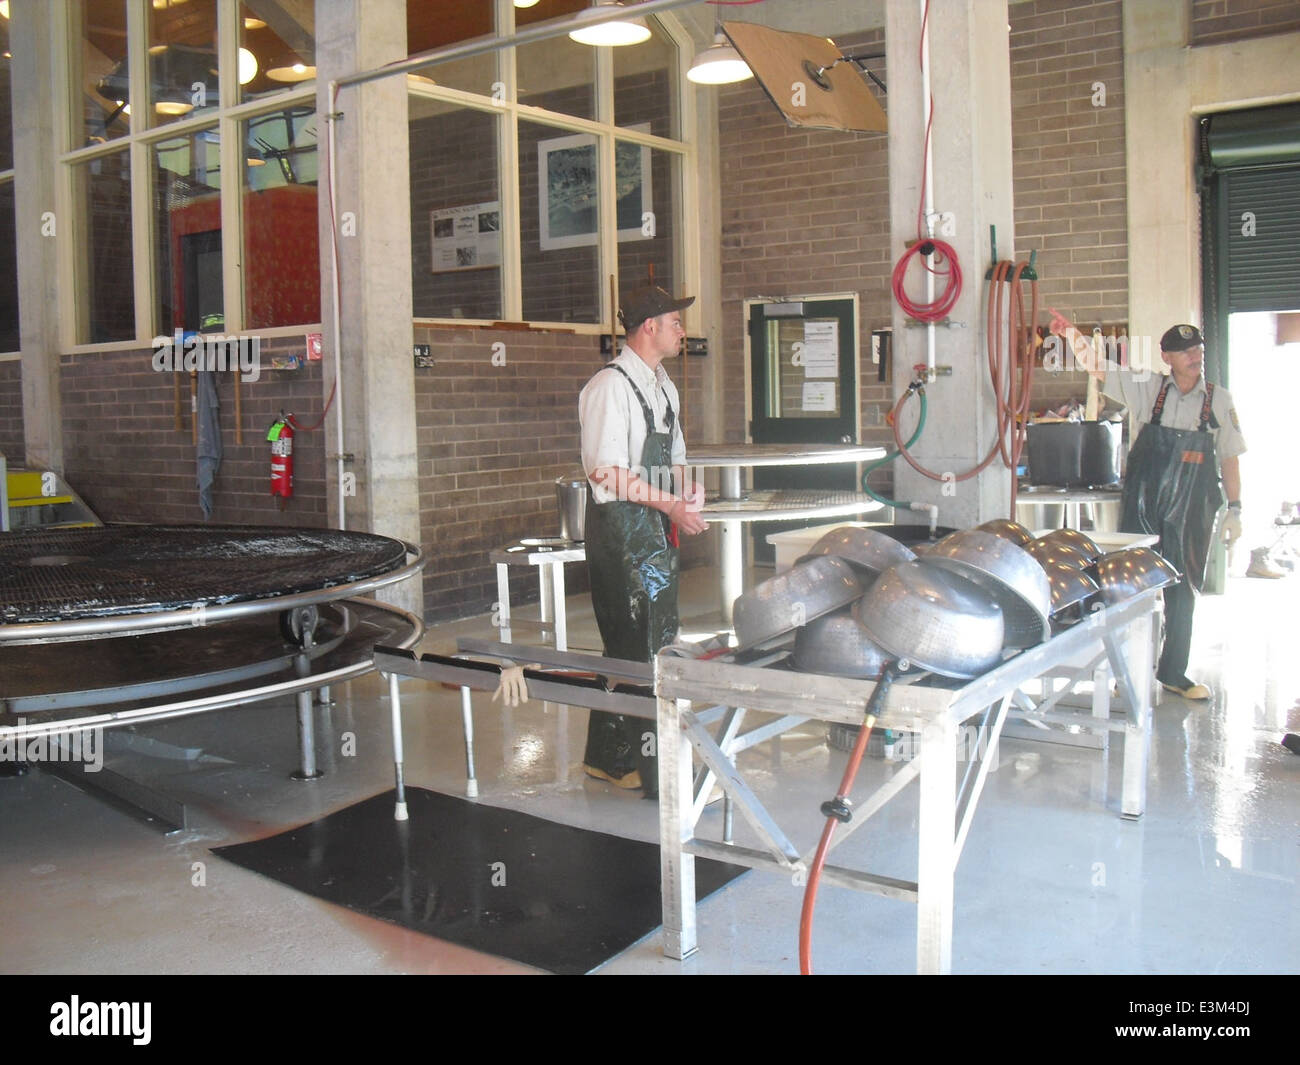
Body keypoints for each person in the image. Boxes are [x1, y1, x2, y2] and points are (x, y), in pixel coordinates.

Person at [577, 285, 709, 796]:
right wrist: (669, 503)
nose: (682, 330)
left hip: (655, 527)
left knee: (649, 641)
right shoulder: (609, 387)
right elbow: (605, 472)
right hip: (620, 534)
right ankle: (661, 776)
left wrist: (684, 493)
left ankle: (607, 758)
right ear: (648, 326)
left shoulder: (664, 387)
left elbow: (673, 455)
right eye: (675, 321)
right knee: (636, 648)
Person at [1081, 322, 1247, 701]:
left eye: (1199, 350)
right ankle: (1128, 672)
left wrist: (1236, 509)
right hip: (1145, 503)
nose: (1195, 357)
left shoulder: (1219, 400)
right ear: (1167, 358)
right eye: (1186, 352)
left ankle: (1173, 672)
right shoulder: (1149, 388)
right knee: (1131, 586)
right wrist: (1072, 337)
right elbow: (1099, 367)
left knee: (1183, 587)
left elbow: (1230, 458)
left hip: (1192, 510)